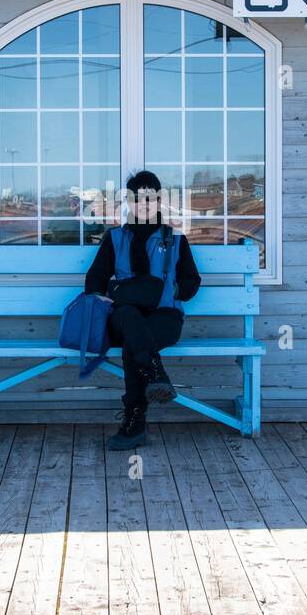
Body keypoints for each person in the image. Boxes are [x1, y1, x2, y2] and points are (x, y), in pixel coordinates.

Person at [85, 170, 200, 450]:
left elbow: (191, 280)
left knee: (134, 346)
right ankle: (155, 375)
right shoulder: (114, 239)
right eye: (137, 199)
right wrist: (100, 298)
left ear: (159, 201)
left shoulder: (174, 240)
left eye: (150, 198)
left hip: (164, 317)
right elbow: (94, 279)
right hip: (122, 319)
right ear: (129, 202)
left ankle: (134, 424)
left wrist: (171, 292)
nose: (144, 204)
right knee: (128, 316)